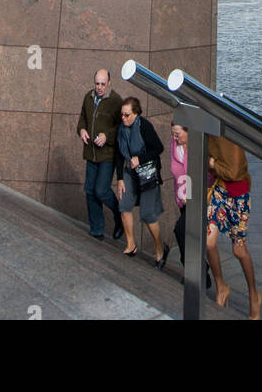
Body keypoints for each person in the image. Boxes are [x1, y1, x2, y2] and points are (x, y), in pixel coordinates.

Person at [206, 134, 262, 319]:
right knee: (208, 241)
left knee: (239, 250)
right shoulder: (211, 128)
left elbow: (235, 171)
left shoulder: (230, 134)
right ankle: (221, 286)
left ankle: (254, 294)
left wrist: (214, 165)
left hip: (239, 194)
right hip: (220, 189)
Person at [115, 97, 169, 268]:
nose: (123, 118)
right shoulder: (121, 129)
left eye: (127, 115)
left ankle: (160, 248)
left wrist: (141, 158)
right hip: (130, 172)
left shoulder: (144, 126)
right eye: (122, 115)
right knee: (124, 205)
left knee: (147, 214)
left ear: (136, 113)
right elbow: (118, 153)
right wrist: (120, 179)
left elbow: (158, 148)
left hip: (147, 174)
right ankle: (131, 244)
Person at [76, 67, 124, 242]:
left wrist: (107, 136)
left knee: (101, 190)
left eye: (103, 84)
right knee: (90, 190)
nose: (100, 87)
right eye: (97, 84)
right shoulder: (88, 97)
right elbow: (82, 118)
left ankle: (119, 214)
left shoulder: (116, 101)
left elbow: (122, 127)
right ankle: (96, 229)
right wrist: (81, 130)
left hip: (107, 154)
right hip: (91, 152)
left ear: (109, 83)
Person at [170, 121, 212, 289]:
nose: (174, 137)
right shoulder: (175, 144)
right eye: (173, 133)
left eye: (177, 133)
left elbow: (209, 176)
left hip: (199, 199)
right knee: (189, 236)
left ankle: (198, 271)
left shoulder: (200, 145)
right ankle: (199, 274)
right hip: (182, 199)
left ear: (189, 131)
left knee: (180, 230)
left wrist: (195, 194)